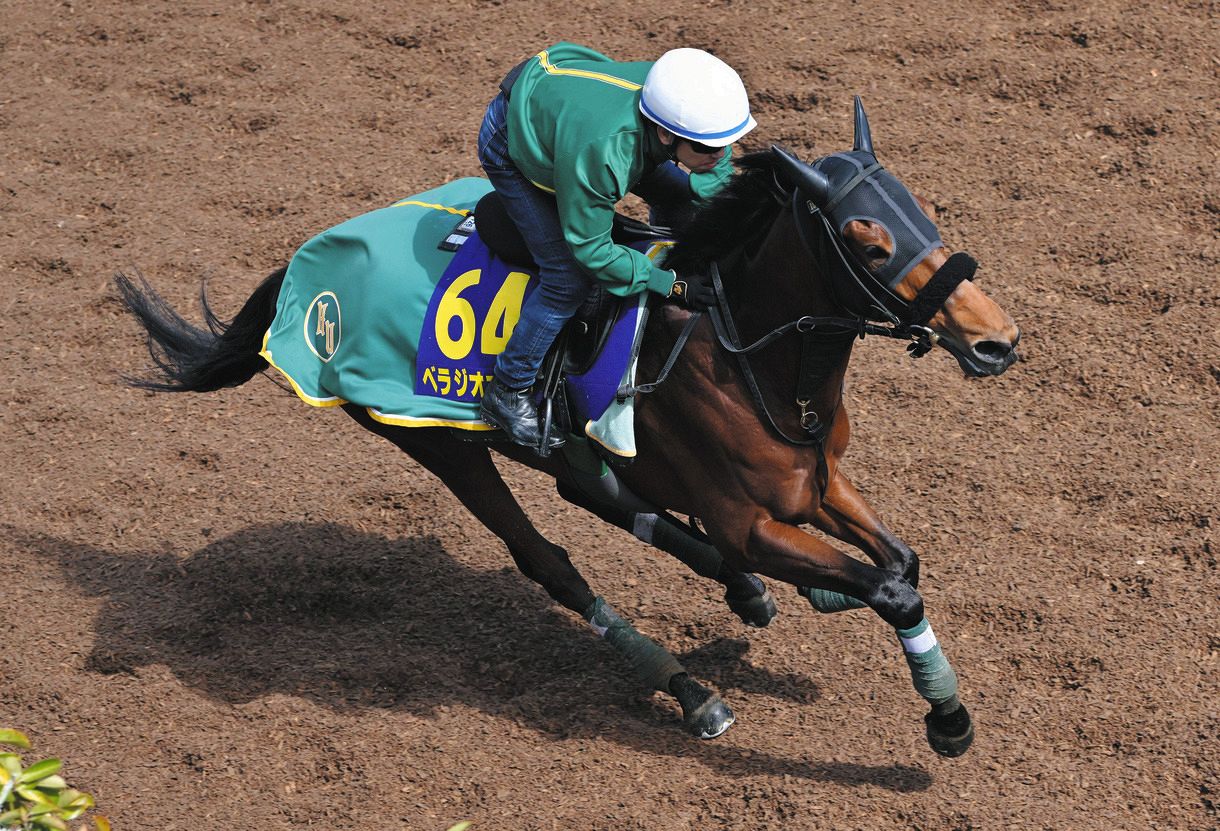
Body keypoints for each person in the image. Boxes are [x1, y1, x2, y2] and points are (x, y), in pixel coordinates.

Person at [476, 42, 757, 453]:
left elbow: (711, 177)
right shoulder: (604, 153)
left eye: (725, 142)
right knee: (567, 279)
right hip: (514, 139)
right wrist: (668, 283)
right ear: (665, 134)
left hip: (579, 110)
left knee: (683, 197)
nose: (720, 155)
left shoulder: (685, 106)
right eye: (707, 148)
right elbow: (591, 251)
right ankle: (508, 389)